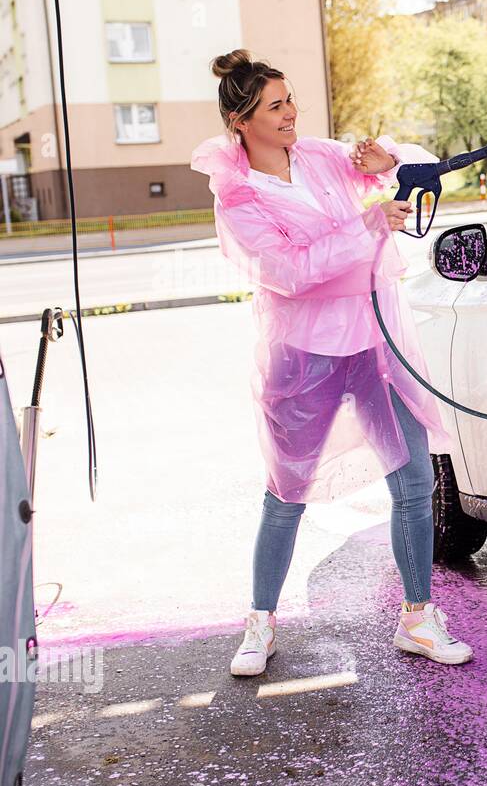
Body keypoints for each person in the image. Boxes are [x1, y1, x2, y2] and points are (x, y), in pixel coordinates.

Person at [190, 49, 472, 676]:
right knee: (287, 491)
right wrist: (367, 225)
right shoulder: (238, 198)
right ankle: (261, 621)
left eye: (290, 99)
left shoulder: (318, 155)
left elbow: (388, 176)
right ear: (242, 120)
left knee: (415, 481)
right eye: (275, 106)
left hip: (375, 340)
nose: (292, 113)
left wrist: (385, 164)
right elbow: (289, 271)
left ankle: (418, 617)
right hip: (304, 355)